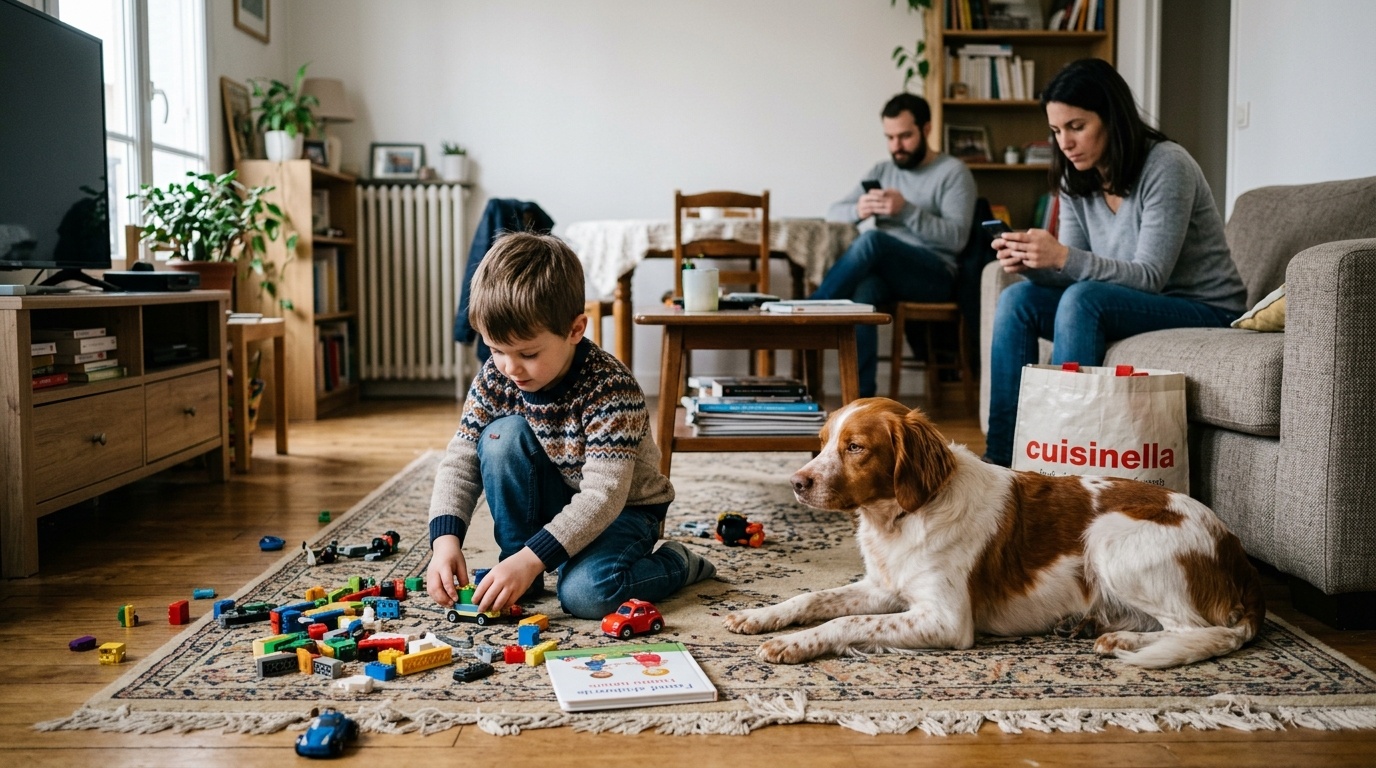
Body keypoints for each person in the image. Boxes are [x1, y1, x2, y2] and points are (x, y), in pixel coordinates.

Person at [426, 232, 715, 619]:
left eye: (527, 353)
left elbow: (602, 497)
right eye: (496, 350)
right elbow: (461, 459)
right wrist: (444, 542)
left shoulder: (610, 388)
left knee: (586, 595)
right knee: (499, 438)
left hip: (625, 509)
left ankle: (679, 563)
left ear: (575, 330)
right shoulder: (497, 378)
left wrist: (535, 557)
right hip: (555, 496)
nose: (510, 368)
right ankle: (521, 567)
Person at [983, 58, 1246, 466]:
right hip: (1126, 299)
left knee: (1084, 299)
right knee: (1019, 300)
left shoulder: (1167, 165)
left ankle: (1062, 462)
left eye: (1076, 127)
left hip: (1204, 305)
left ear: (1112, 117)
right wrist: (1033, 262)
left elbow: (1149, 276)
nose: (1064, 143)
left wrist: (1062, 257)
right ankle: (1000, 462)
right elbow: (1073, 269)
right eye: (1056, 131)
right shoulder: (1076, 177)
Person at [813, 92, 978, 398]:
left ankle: (810, 312)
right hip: (890, 274)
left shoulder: (954, 172)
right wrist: (858, 210)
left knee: (873, 239)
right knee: (863, 297)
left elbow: (957, 239)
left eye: (904, 136)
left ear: (926, 129)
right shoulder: (882, 170)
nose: (896, 146)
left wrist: (907, 211)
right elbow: (833, 213)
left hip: (935, 274)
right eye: (889, 137)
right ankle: (861, 401)